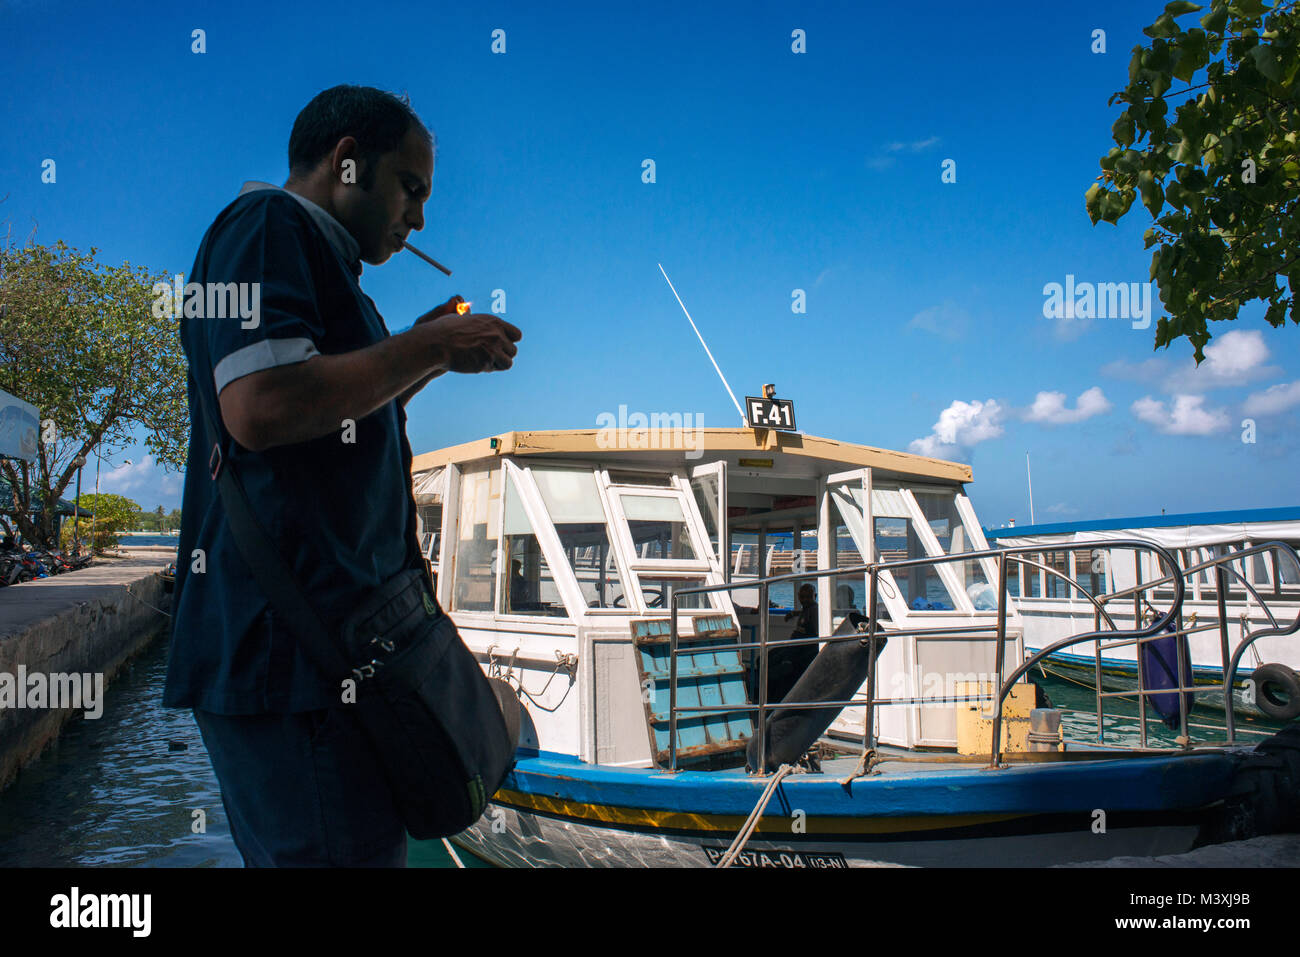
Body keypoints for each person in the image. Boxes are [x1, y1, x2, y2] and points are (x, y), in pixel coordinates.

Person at [164, 85, 521, 867]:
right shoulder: (266, 226)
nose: (418, 217)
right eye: (410, 187)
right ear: (347, 161)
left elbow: (318, 420)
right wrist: (428, 349)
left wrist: (421, 353)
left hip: (316, 663)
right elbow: (260, 405)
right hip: (289, 665)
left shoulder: (317, 257)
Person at [760, 583, 820, 704]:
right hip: (793, 647)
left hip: (801, 651)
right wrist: (794, 613)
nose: (805, 600)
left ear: (815, 596)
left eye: (808, 597)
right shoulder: (807, 609)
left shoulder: (814, 611)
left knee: (773, 664)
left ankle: (773, 700)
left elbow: (814, 636)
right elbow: (803, 613)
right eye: (802, 597)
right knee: (765, 659)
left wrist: (790, 658)